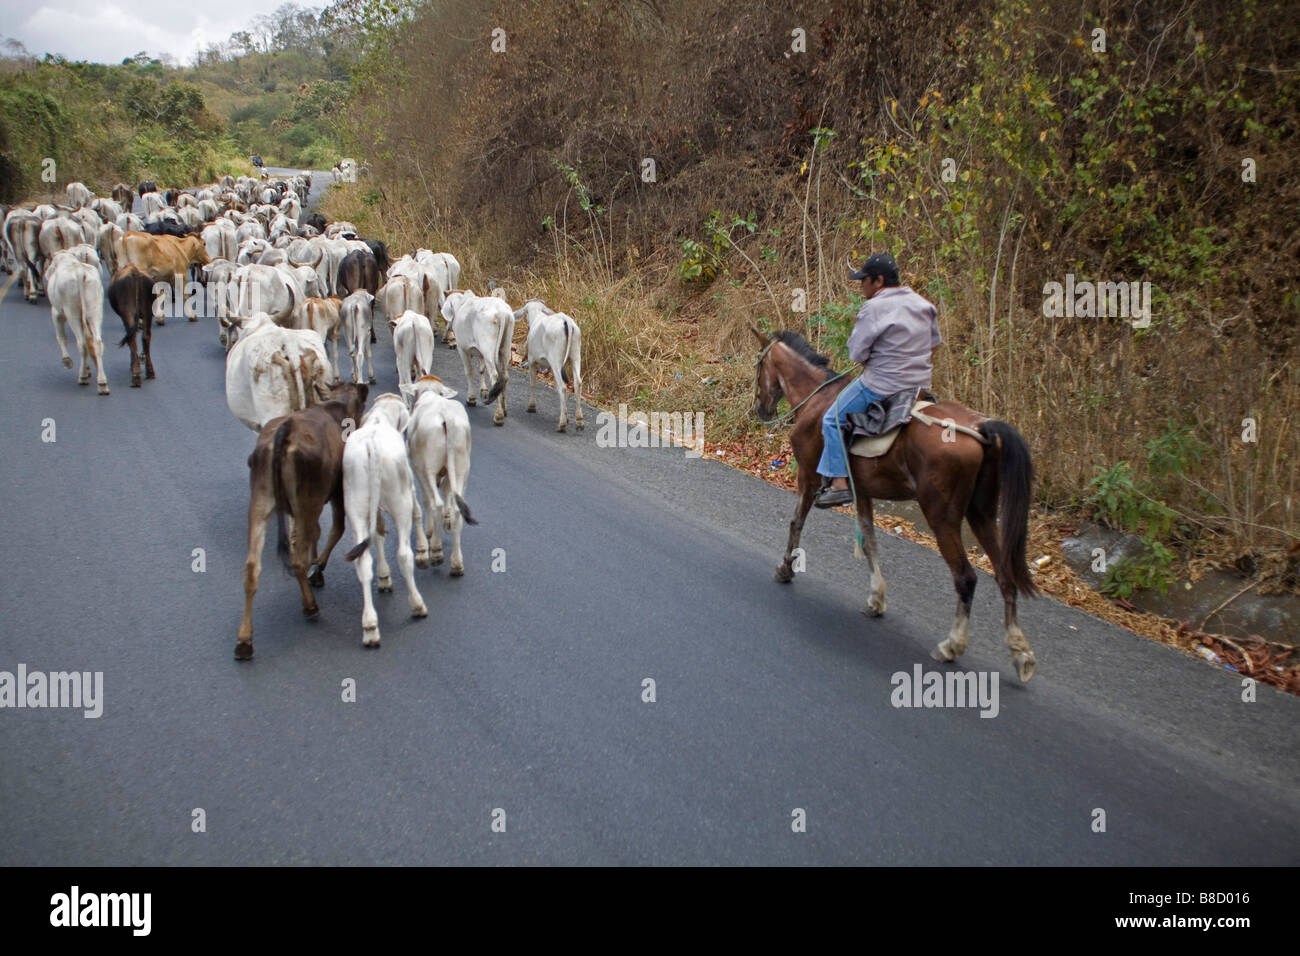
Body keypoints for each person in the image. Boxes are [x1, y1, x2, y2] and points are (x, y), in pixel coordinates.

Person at [813, 252, 942, 509]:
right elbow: (934, 345)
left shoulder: (873, 307)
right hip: (918, 387)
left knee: (832, 418)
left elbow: (856, 354)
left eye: (864, 281)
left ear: (878, 281)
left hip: (882, 385)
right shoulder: (923, 304)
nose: (861, 286)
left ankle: (839, 485)